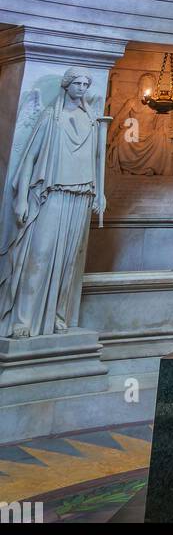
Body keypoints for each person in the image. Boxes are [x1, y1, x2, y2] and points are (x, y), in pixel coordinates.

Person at [0, 69, 103, 338]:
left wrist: (99, 192)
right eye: (77, 83)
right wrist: (21, 199)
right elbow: (28, 163)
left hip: (80, 195)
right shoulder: (50, 118)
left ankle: (58, 315)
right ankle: (22, 318)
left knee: (68, 262)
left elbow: (96, 161)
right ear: (66, 86)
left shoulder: (91, 120)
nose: (81, 87)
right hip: (51, 195)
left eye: (85, 84)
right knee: (39, 255)